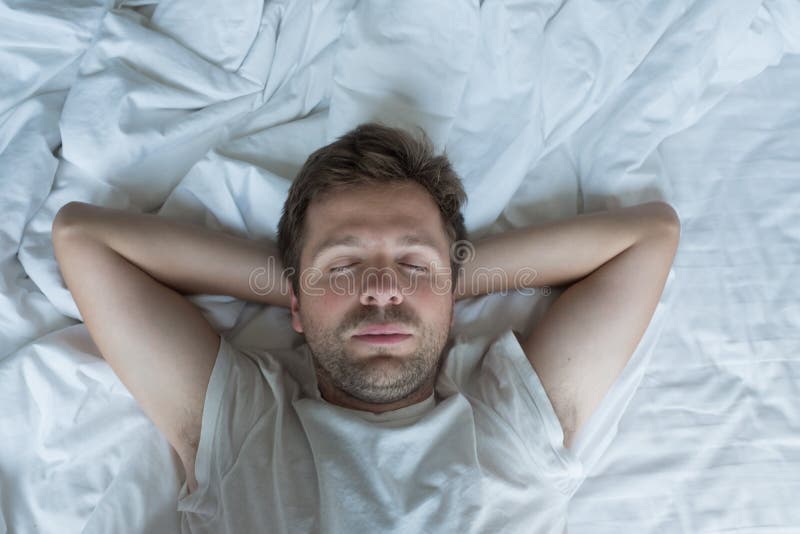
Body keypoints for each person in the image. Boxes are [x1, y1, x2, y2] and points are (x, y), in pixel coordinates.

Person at [51, 123, 680, 533]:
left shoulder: (508, 430)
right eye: (346, 264)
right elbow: (84, 239)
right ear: (294, 303)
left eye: (411, 263)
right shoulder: (246, 430)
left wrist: (430, 276)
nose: (381, 288)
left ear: (454, 296)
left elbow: (649, 238)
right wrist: (312, 279)